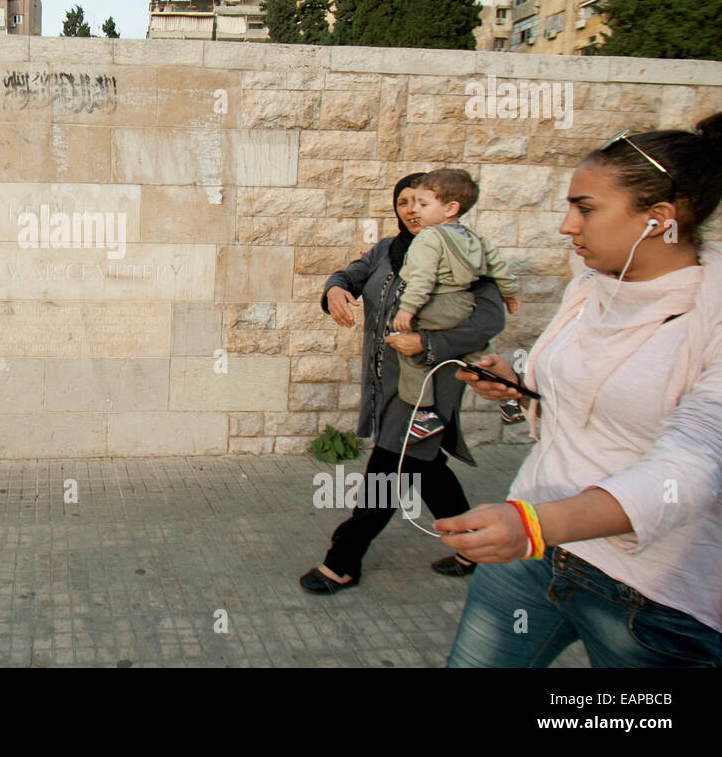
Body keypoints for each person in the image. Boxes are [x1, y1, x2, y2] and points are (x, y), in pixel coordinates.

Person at [441, 116, 722, 667]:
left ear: (659, 219)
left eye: (586, 208)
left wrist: (534, 525)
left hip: (651, 597)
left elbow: (692, 469)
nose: (568, 226)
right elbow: (589, 387)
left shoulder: (710, 317)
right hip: (533, 557)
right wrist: (520, 382)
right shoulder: (589, 285)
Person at [299, 173, 506, 595]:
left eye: (420, 201)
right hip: (385, 386)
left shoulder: (466, 254)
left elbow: (489, 320)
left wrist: (426, 342)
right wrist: (335, 290)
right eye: (403, 202)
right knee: (428, 468)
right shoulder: (385, 252)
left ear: (445, 206)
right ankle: (476, 549)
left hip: (429, 388)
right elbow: (348, 275)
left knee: (386, 472)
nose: (411, 209)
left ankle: (342, 562)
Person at [392, 169, 522, 441]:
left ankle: (423, 415)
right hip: (464, 304)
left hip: (436, 306)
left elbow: (422, 278)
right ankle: (509, 398)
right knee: (476, 354)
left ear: (451, 208)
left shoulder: (429, 237)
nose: (415, 210)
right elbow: (499, 268)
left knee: (411, 355)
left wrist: (408, 308)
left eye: (423, 204)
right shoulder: (475, 238)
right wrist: (510, 294)